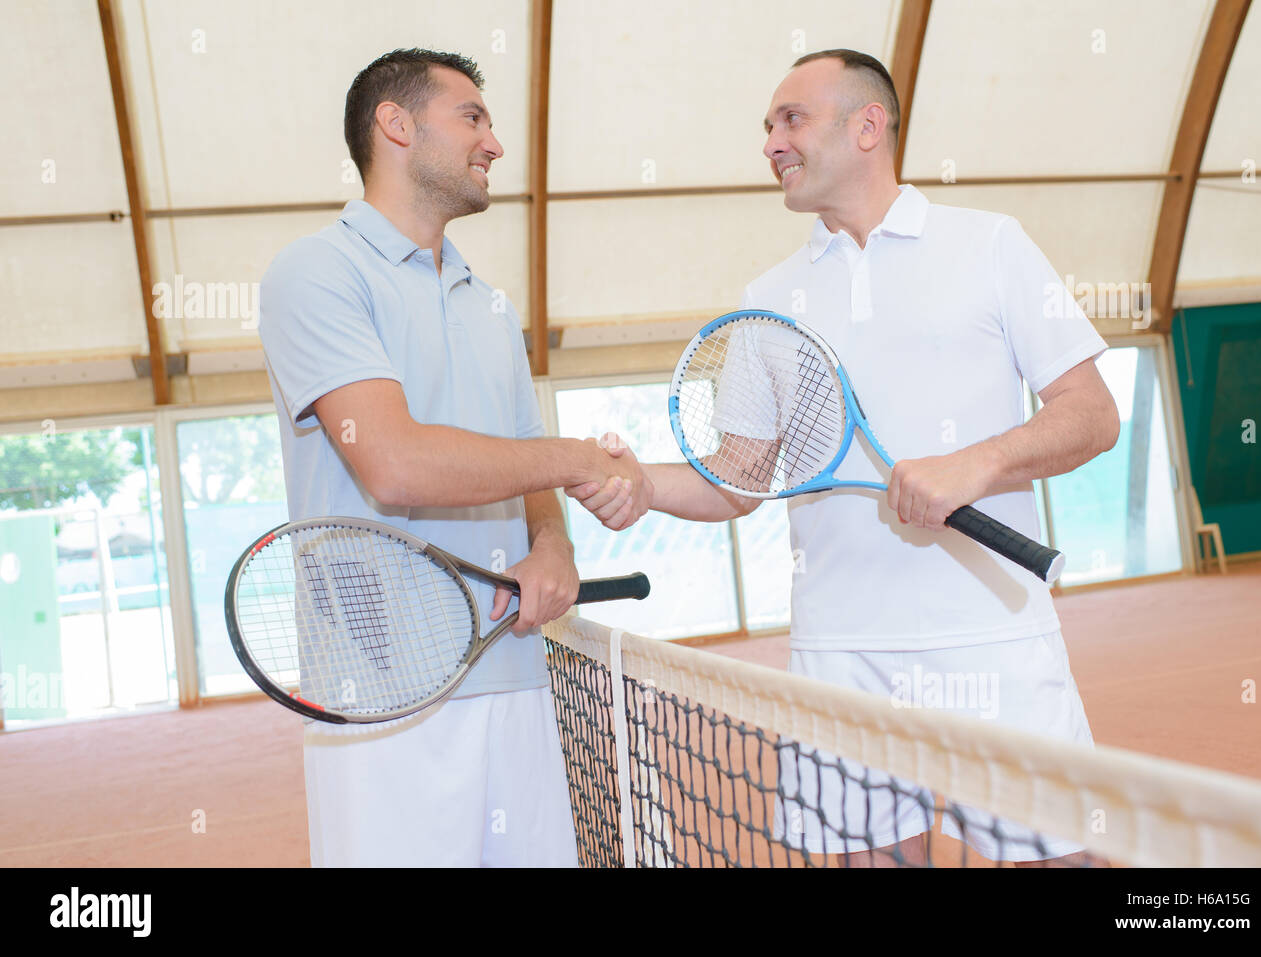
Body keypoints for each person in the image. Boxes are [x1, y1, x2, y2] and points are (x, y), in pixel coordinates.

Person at [567, 49, 1120, 866]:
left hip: (993, 635)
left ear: (868, 126)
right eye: (766, 128)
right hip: (839, 656)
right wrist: (643, 483)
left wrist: (972, 465)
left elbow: (1093, 415)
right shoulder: (765, 301)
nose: (770, 145)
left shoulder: (992, 246)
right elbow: (739, 481)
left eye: (789, 120)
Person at [257, 48, 652, 866]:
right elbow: (393, 464)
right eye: (473, 116)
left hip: (514, 676)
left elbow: (525, 466)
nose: (495, 143)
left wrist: (554, 546)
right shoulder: (315, 274)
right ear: (395, 125)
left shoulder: (490, 305)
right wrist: (579, 454)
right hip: (381, 700)